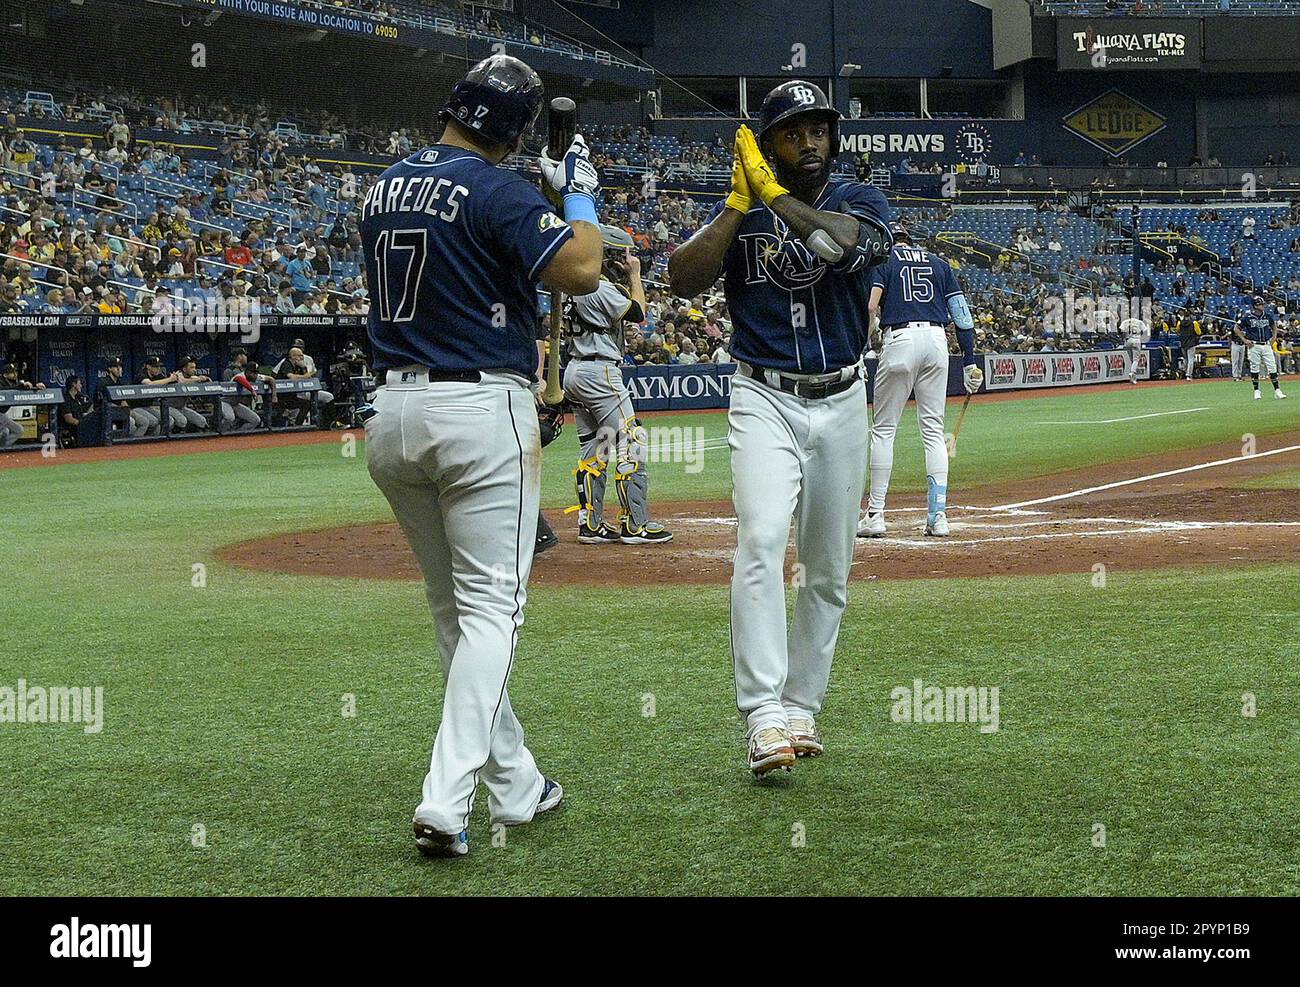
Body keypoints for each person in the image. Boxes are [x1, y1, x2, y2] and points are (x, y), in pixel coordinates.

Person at [359, 54, 602, 858]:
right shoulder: (500, 188)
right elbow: (584, 266)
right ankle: (445, 797)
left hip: (389, 413)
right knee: (493, 612)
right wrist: (577, 193)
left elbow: (460, 222)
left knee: (453, 614)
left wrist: (524, 185)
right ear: (514, 127)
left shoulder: (382, 184)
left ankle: (518, 781)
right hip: (475, 407)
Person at [668, 80, 892, 775]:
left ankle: (802, 705)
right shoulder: (746, 213)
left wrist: (771, 196)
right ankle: (763, 714)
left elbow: (849, 243)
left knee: (828, 567)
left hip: (842, 396)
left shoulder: (860, 200)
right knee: (763, 537)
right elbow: (681, 279)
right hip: (762, 393)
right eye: (795, 132)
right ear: (768, 145)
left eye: (819, 129)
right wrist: (739, 204)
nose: (812, 142)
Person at [858, 225, 979, 540]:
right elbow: (963, 317)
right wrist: (969, 360)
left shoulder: (883, 259)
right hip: (937, 341)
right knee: (933, 432)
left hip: (900, 337)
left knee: (884, 430)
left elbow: (871, 305)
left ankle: (875, 515)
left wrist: (860, 343)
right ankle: (938, 517)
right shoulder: (939, 263)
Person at [564, 225, 672, 545]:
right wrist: (636, 276)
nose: (626, 261)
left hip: (575, 369)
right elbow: (638, 312)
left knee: (595, 448)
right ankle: (635, 523)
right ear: (609, 255)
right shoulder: (597, 285)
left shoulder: (573, 283)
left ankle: (591, 523)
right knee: (631, 440)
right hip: (600, 371)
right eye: (622, 255)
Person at [1236, 297, 1287, 401]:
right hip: (1254, 345)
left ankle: (1277, 390)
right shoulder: (1248, 317)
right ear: (1255, 306)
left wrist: (1274, 337)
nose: (1263, 306)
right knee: (1255, 368)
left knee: (1272, 367)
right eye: (1260, 304)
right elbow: (1236, 328)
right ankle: (1256, 390)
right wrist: (1245, 340)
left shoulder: (1267, 316)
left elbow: (1274, 326)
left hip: (1266, 344)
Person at [1, 362, 45, 447]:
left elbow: (23, 387)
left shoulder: (13, 383)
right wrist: (20, 385)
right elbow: (6, 389)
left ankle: (3, 447)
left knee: (5, 431)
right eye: (12, 373)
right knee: (19, 430)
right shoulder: (1, 382)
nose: (15, 374)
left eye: (15, 372)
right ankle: (3, 447)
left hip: (2, 414)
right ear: (5, 375)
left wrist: (36, 386)